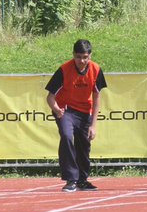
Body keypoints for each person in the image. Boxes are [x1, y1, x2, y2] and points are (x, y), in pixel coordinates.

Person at [46, 39, 108, 192]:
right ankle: (71, 179)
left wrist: (93, 125)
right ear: (73, 55)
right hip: (65, 110)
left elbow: (97, 97)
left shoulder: (96, 70)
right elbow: (50, 97)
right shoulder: (64, 70)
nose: (81, 61)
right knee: (67, 136)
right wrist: (56, 109)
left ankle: (82, 180)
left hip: (85, 112)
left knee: (84, 145)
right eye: (78, 57)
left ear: (90, 56)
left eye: (85, 57)